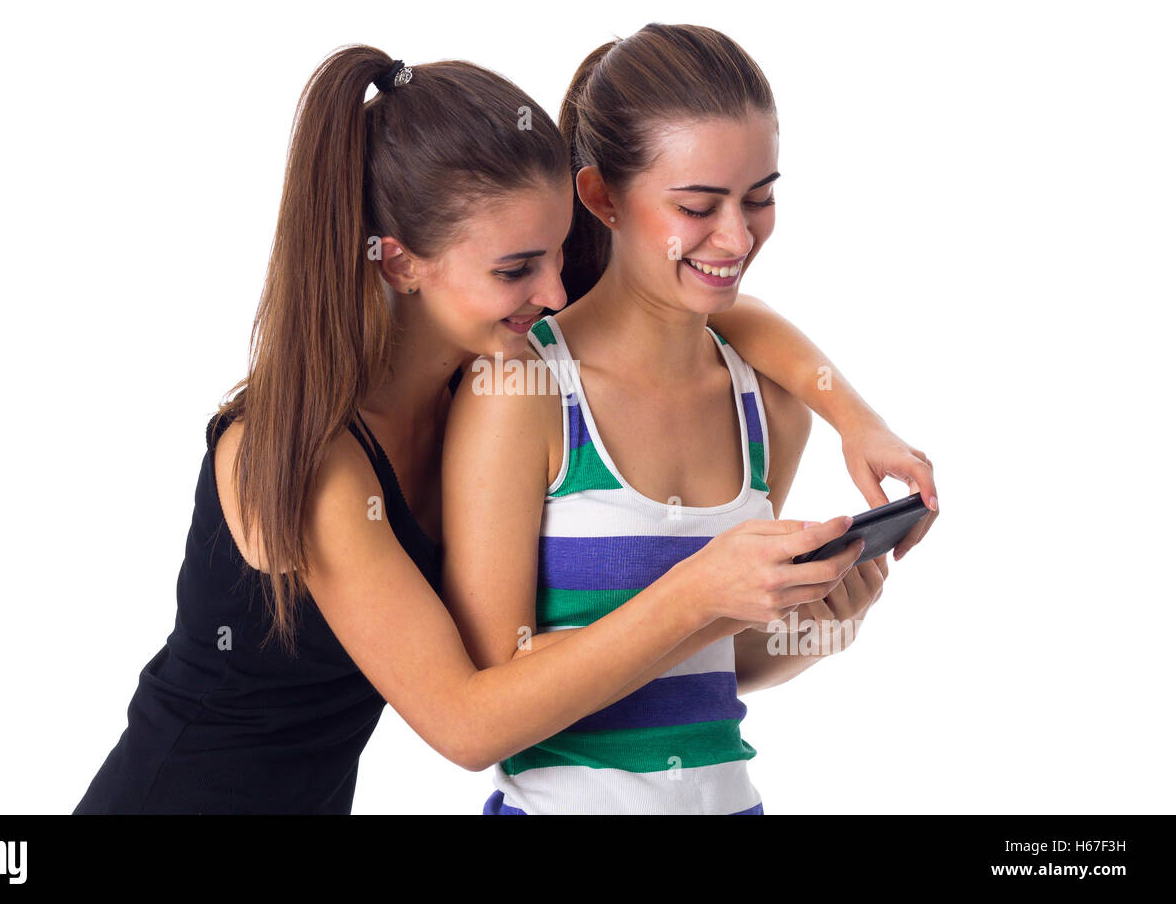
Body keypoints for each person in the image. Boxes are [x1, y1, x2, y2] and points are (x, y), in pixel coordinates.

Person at [74, 43, 935, 814]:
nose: (558, 292)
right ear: (400, 259)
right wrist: (701, 590)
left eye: (560, 253)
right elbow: (465, 723)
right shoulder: (300, 455)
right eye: (518, 268)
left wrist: (850, 419)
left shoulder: (485, 378)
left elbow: (714, 318)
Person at [442, 24, 932, 815]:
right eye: (698, 206)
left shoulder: (767, 405)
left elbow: (714, 664)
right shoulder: (520, 392)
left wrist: (818, 626)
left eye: (761, 197)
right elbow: (493, 699)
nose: (737, 237)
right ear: (599, 196)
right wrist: (699, 589)